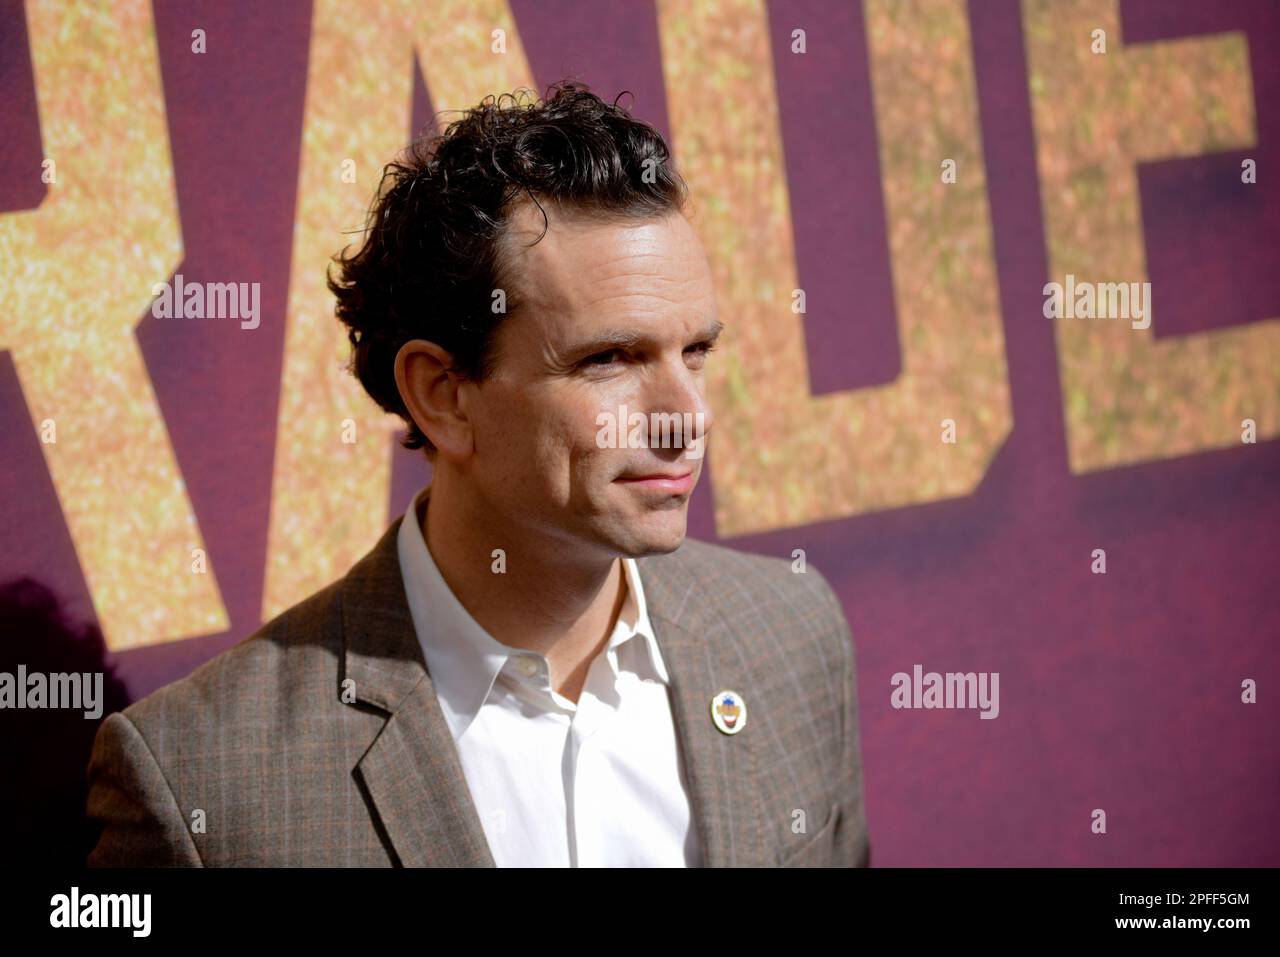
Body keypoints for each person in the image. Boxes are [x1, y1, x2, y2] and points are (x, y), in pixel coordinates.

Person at [85, 81, 869, 867]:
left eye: (695, 351)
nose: (685, 416)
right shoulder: (204, 782)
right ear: (443, 395)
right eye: (610, 359)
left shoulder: (792, 636)